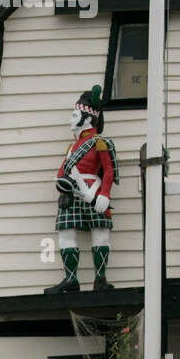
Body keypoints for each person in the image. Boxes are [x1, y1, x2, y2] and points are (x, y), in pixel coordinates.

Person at [44, 86, 118, 294]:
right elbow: (62, 172)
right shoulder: (71, 149)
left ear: (86, 118)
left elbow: (109, 171)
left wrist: (104, 194)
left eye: (74, 115)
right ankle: (71, 279)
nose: (70, 120)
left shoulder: (100, 143)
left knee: (100, 234)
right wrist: (63, 187)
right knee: (66, 234)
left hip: (93, 191)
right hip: (72, 194)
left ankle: (100, 279)